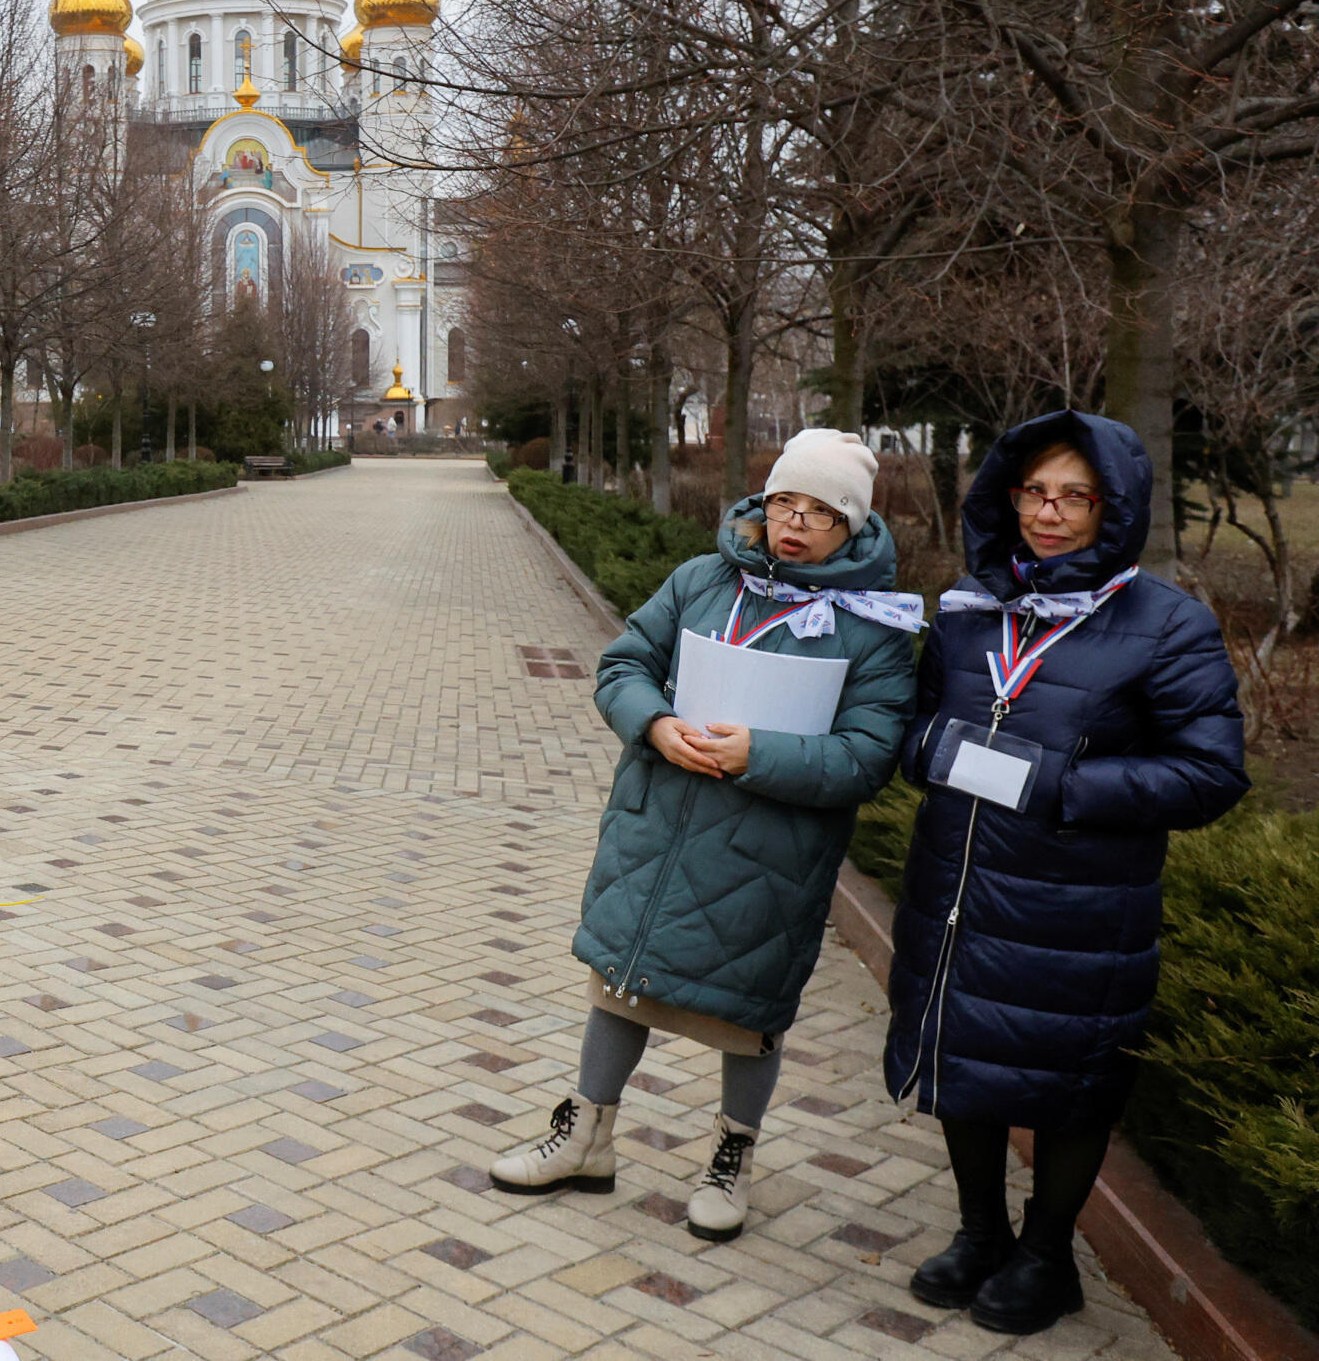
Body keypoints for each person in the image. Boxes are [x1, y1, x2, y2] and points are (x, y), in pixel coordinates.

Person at [493, 429, 921, 1241]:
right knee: (621, 977)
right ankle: (586, 1135)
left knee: (750, 1006)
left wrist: (760, 753)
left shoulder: (872, 627)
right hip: (657, 827)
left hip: (770, 854)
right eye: (784, 502)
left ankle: (733, 1155)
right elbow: (623, 665)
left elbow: (868, 757)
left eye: (821, 513)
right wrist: (653, 726)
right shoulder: (702, 579)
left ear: (852, 527)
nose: (795, 523)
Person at [886, 410, 1245, 1335]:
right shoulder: (974, 609)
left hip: (1078, 903)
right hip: (959, 888)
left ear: (1111, 507)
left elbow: (1211, 774)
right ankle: (981, 1235)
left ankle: (1048, 1258)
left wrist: (1062, 783)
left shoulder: (1165, 623)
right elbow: (922, 723)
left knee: (1067, 1084)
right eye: (1034, 493)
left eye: (1074, 497)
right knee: (964, 1059)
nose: (1048, 514)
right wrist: (924, 747)